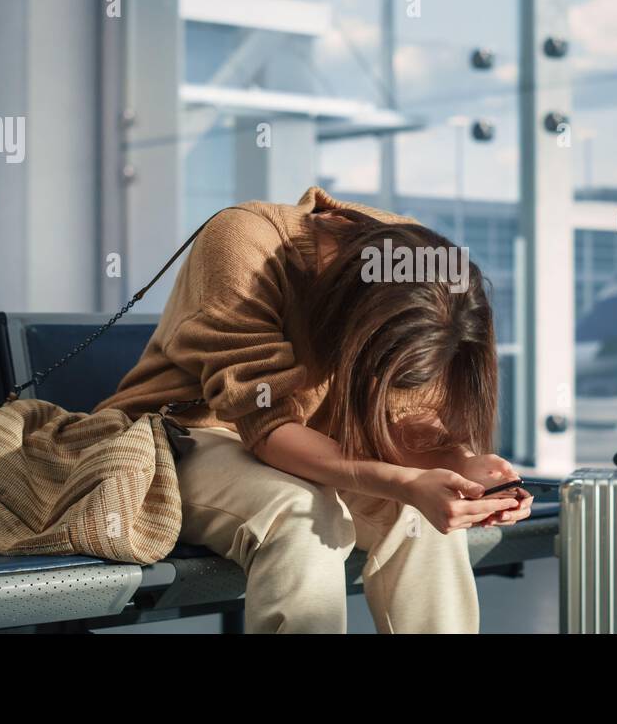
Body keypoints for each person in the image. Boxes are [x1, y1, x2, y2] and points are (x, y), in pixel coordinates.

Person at [96, 186, 532, 633]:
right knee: (300, 513)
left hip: (310, 451)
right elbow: (268, 423)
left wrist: (459, 463)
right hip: (183, 437)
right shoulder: (244, 240)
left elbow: (403, 414)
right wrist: (403, 480)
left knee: (422, 518)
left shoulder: (420, 266)